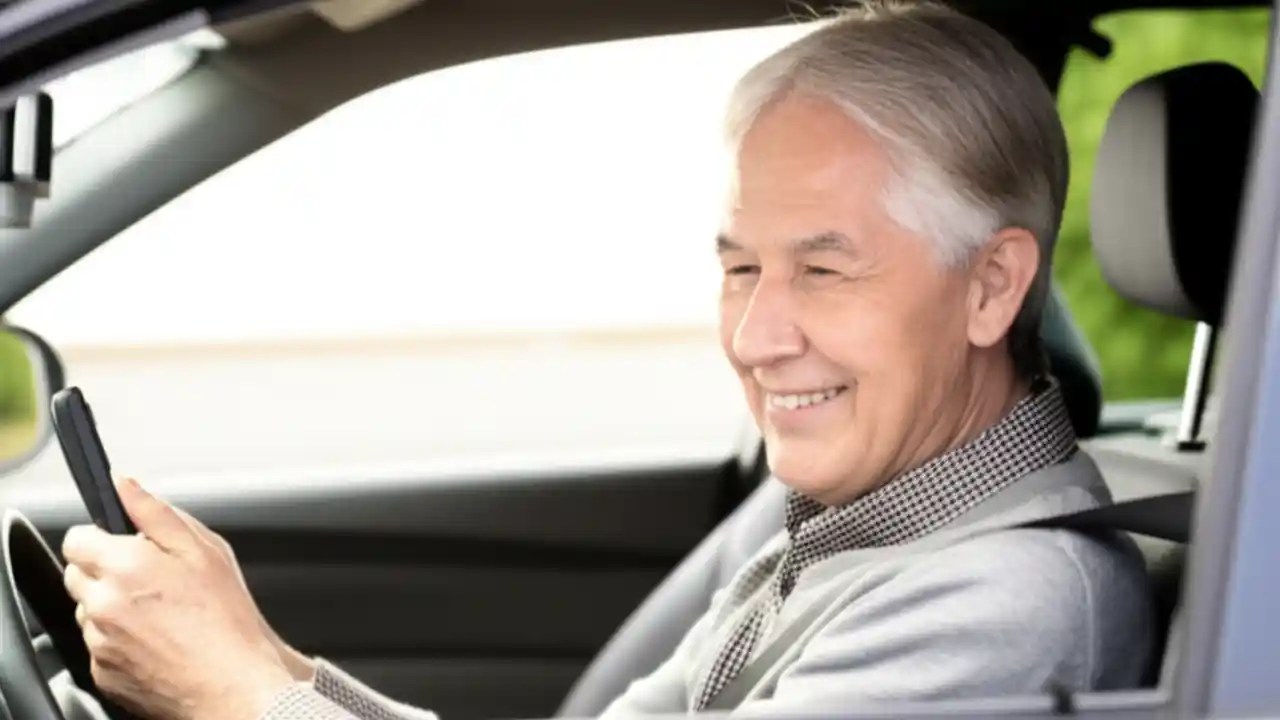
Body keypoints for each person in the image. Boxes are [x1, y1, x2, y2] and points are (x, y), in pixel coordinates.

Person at [59, 2, 1154, 719]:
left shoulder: (1002, 603)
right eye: (739, 269)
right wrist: (265, 663)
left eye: (823, 272)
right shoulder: (870, 521)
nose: (754, 336)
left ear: (991, 286)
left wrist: (239, 699)